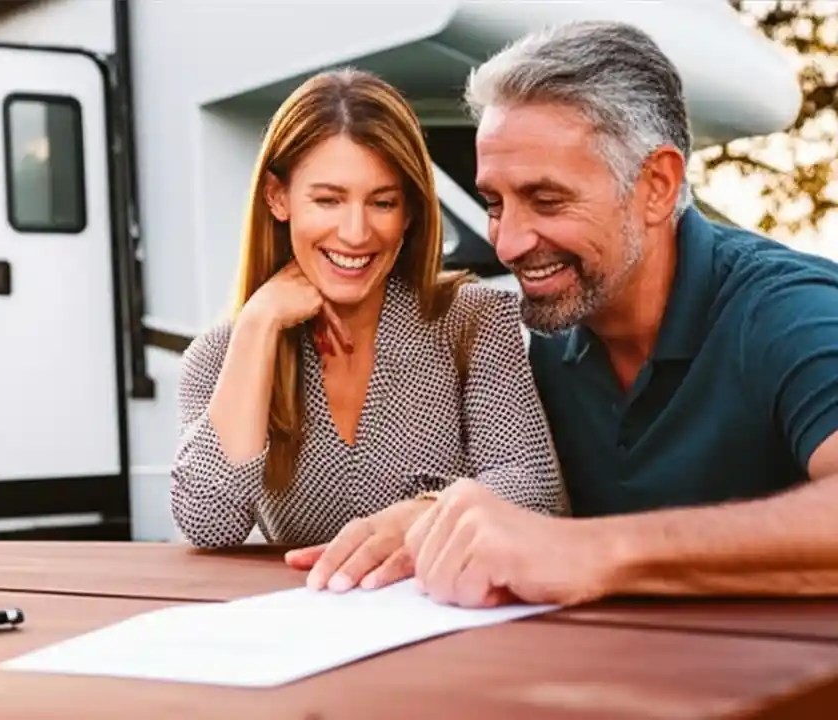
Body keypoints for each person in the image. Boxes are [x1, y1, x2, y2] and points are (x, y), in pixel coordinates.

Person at [306, 20, 838, 606]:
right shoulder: (552, 339)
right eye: (494, 203)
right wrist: (434, 518)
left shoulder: (789, 312)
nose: (507, 244)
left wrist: (590, 551)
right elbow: (518, 496)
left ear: (657, 186)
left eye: (546, 200)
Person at [169, 68, 567, 591]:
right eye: (328, 200)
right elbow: (207, 521)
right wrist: (258, 326)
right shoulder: (220, 356)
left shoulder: (472, 320)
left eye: (382, 202)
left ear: (409, 213)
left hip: (449, 628)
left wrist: (424, 514)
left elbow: (536, 492)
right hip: (304, 635)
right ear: (277, 197)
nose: (356, 234)